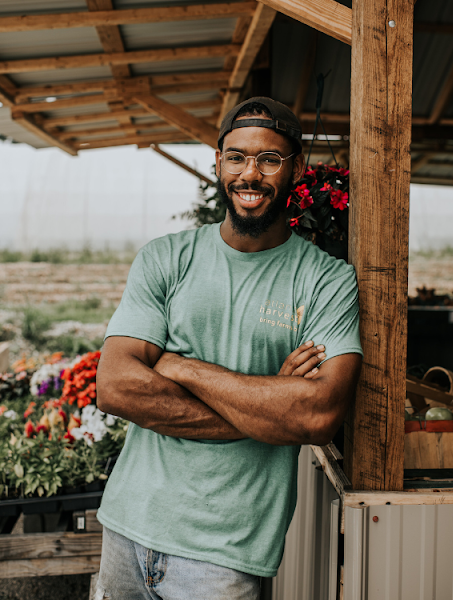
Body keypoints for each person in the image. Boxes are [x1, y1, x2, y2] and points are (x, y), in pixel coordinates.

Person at [93, 97, 363, 599]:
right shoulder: (166, 259)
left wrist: (181, 367)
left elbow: (316, 415)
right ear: (219, 163)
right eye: (236, 157)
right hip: (127, 527)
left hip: (223, 555)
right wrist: (269, 407)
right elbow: (114, 387)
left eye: (269, 159)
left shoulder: (326, 280)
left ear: (296, 168)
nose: (250, 174)